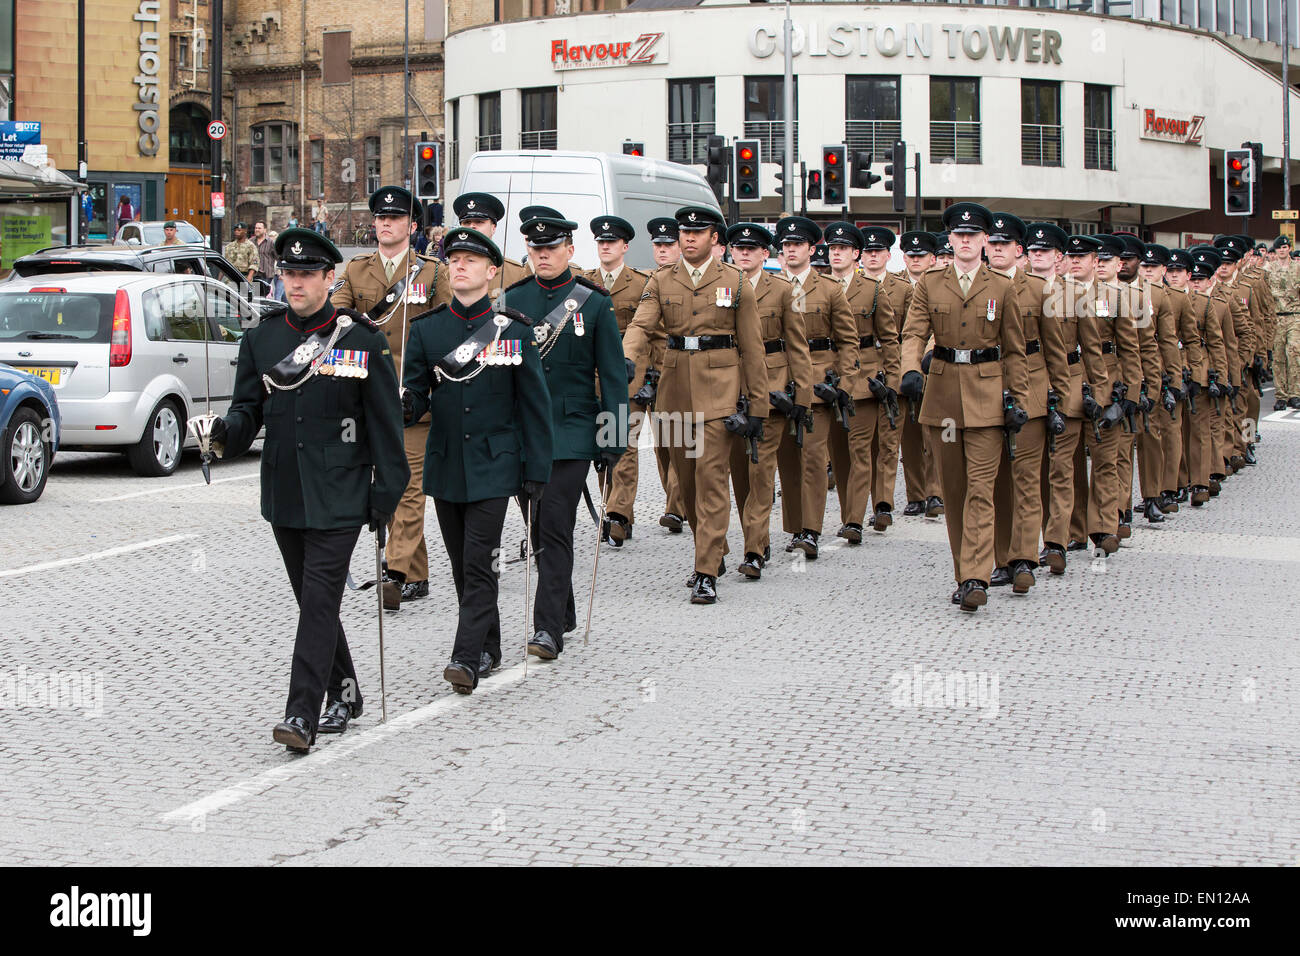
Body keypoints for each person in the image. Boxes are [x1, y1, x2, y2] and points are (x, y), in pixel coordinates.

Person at [207, 228, 408, 751]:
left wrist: (382, 500)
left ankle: (301, 715)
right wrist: (225, 433)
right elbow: (248, 409)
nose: (294, 283)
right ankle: (346, 691)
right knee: (313, 603)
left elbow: (386, 429)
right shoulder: (262, 338)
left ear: (328, 277)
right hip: (286, 493)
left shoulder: (360, 339)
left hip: (341, 495)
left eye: (305, 274)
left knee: (320, 603)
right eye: (288, 273)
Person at [401, 228, 553, 692]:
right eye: (455, 259)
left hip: (496, 463)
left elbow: (534, 405)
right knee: (461, 562)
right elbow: (415, 398)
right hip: (446, 463)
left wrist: (536, 470)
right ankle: (489, 645)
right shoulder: (427, 329)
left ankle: (464, 659)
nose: (460, 266)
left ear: (492, 272)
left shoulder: (516, 330)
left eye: (471, 259)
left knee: (479, 562)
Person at [621, 206, 768, 604]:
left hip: (720, 392)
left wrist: (757, 405)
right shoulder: (661, 279)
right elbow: (641, 325)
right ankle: (714, 549)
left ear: (714, 239)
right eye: (684, 232)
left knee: (711, 478)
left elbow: (753, 349)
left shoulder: (736, 283)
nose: (688, 238)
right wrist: (627, 357)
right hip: (674, 390)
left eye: (697, 232)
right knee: (684, 482)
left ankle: (705, 571)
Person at [503, 213, 627, 659]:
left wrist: (613, 441)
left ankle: (547, 629)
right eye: (536, 249)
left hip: (573, 431)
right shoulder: (512, 299)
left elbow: (613, 377)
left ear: (570, 251)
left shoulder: (593, 303)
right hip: (524, 434)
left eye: (552, 248)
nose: (543, 255)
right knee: (538, 529)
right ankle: (564, 607)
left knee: (556, 525)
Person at [899, 202, 1028, 612]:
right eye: (959, 235)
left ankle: (977, 576)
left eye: (974, 235)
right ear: (950, 240)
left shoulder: (1002, 287)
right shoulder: (930, 283)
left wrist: (1018, 400)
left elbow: (1015, 352)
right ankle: (963, 572)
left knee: (980, 490)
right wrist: (908, 370)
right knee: (953, 491)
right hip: (943, 397)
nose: (967, 241)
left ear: (986, 240)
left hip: (988, 398)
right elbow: (913, 333)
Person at [332, 185, 452, 610]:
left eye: (395, 218)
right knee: (385, 481)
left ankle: (395, 570)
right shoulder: (357, 270)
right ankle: (416, 572)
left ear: (412, 226)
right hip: (367, 395)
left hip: (413, 398)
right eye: (381, 217)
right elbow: (336, 317)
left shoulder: (432, 273)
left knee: (409, 486)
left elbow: (451, 328)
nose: (385, 223)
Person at [985, 213, 1070, 593]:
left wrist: (1060, 401)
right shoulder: (974, 286)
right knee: (996, 482)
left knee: (1026, 480)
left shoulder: (1039, 289)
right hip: (984, 392)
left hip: (1032, 392)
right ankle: (1001, 558)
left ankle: (1023, 557)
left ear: (1019, 251)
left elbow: (1057, 351)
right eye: (993, 244)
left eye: (1005, 245)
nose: (997, 250)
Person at [724, 222, 812, 579]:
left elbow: (798, 346)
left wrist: (801, 396)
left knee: (761, 474)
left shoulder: (782, 290)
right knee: (738, 475)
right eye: (739, 248)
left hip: (771, 390)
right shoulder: (720, 285)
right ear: (731, 252)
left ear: (765, 254)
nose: (744, 254)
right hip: (729, 389)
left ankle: (754, 550)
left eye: (752, 249)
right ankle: (754, 536)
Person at [775, 216, 857, 559]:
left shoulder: (830, 289)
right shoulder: (769, 287)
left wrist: (840, 382)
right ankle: (795, 526)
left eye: (798, 245)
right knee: (787, 460)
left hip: (818, 384)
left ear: (811, 249)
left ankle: (811, 530)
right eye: (786, 246)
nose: (791, 250)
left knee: (812, 458)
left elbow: (848, 341)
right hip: (780, 383)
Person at [824, 223, 899, 544]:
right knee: (837, 456)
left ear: (856, 254)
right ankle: (847, 513)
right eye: (832, 248)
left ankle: (854, 519)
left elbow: (890, 339)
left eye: (843, 249)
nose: (836, 253)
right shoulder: (818, 287)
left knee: (859, 453)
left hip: (863, 381)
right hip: (826, 378)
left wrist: (892, 382)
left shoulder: (872, 289)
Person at [579, 216, 652, 548]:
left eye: (611, 242)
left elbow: (650, 333)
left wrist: (645, 373)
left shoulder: (641, 284)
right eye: (600, 242)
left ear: (624, 247)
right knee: (602, 447)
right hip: (591, 376)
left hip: (625, 376)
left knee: (625, 444)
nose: (605, 246)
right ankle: (612, 507)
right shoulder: (584, 284)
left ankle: (619, 514)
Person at [894, 231, 944, 519]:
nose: (915, 260)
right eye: (910, 255)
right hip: (906, 366)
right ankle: (915, 495)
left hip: (933, 364)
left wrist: (929, 353)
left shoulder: (941, 284)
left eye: (921, 256)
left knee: (934, 433)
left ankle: (935, 491)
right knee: (910, 436)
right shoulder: (895, 286)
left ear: (932, 258)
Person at [645, 215, 686, 529]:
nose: (662, 250)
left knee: (677, 439)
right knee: (661, 447)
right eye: (657, 244)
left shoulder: (687, 282)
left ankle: (676, 506)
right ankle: (674, 501)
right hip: (644, 370)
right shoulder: (645, 280)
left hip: (675, 369)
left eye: (668, 244)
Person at [453, 192, 528, 295]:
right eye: (467, 222)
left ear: (493, 228)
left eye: (479, 222)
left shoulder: (515, 273)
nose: (472, 226)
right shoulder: (448, 272)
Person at [251, 220, 276, 295]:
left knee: (261, 295)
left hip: (266, 274)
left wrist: (280, 273)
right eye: (256, 228)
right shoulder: (250, 242)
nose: (257, 230)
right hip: (253, 274)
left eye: (259, 228)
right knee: (254, 295)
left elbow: (278, 257)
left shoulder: (271, 242)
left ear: (265, 230)